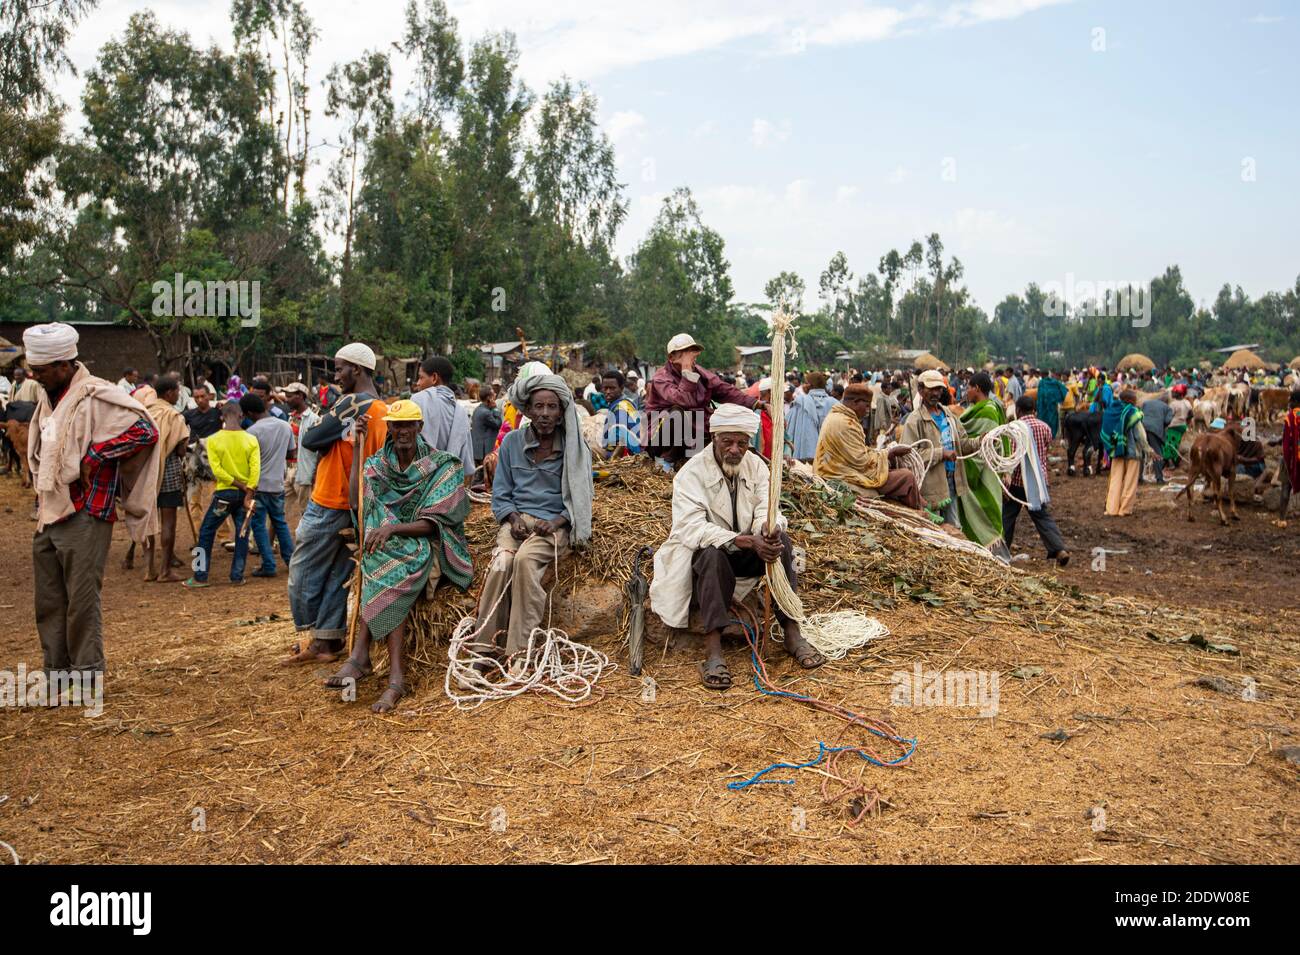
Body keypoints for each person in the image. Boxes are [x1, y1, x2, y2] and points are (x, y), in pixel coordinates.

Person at [649, 403, 824, 690]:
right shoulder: (691, 473)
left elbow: (767, 506)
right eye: (727, 441)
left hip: (746, 549)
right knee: (711, 555)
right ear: (714, 438)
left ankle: (792, 632)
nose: (735, 449)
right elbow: (689, 528)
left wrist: (768, 528)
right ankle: (714, 650)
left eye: (742, 443)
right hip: (703, 561)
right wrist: (740, 540)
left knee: (784, 544)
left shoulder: (757, 466)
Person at [25, 323, 161, 683]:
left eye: (40, 370)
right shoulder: (48, 399)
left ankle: (85, 676)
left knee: (81, 601)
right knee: (50, 600)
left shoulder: (96, 395)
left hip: (86, 510)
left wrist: (95, 456)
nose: (34, 376)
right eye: (33, 369)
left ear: (64, 365)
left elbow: (145, 430)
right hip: (50, 510)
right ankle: (56, 673)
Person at [323, 399, 473, 712]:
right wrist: (357, 451)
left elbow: (439, 521)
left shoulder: (443, 465)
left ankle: (381, 669)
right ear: (388, 428)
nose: (401, 431)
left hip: (429, 541)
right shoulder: (378, 465)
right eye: (395, 425)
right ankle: (379, 669)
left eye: (407, 425)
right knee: (379, 559)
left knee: (393, 567)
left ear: (419, 427)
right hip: (390, 545)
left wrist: (393, 530)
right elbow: (357, 503)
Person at [473, 373, 593, 665]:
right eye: (538, 407)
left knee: (526, 561)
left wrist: (554, 522)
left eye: (552, 407)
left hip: (553, 525)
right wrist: (513, 519)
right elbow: (500, 493)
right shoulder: (512, 443)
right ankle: (483, 651)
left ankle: (518, 652)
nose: (545, 414)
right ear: (527, 410)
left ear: (561, 411)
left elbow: (580, 500)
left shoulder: (574, 449)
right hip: (517, 521)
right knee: (502, 562)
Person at [284, 343, 388, 664]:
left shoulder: (351, 405)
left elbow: (312, 440)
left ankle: (310, 628)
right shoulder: (383, 410)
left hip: (330, 499)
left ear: (356, 370)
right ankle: (326, 643)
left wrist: (330, 420)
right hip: (359, 505)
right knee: (336, 573)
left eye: (340, 368)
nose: (336, 375)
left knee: (303, 568)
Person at [645, 333, 758, 470]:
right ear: (671, 358)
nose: (691, 357)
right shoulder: (661, 378)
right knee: (677, 413)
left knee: (725, 421)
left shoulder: (701, 374)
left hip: (695, 433)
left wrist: (758, 404)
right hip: (662, 439)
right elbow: (683, 400)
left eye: (691, 352)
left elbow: (725, 391)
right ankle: (667, 459)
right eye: (684, 353)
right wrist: (687, 374)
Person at [185, 401, 259, 587]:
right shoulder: (251, 440)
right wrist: (248, 491)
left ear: (221, 417)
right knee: (242, 534)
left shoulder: (214, 440)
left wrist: (239, 486)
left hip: (224, 495)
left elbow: (217, 472)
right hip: (245, 498)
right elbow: (255, 470)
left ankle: (200, 576)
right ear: (242, 415)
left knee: (205, 532)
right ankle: (237, 576)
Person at [815, 383, 922, 508]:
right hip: (841, 475)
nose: (867, 411)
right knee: (906, 477)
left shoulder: (836, 416)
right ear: (855, 402)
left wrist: (883, 454)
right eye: (866, 406)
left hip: (834, 469)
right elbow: (861, 460)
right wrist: (888, 453)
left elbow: (856, 452)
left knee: (891, 468)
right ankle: (920, 509)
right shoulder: (846, 424)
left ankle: (922, 503)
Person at [900, 370, 976, 529]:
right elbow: (908, 457)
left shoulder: (948, 415)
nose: (936, 393)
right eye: (931, 389)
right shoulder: (915, 420)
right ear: (920, 390)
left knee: (954, 526)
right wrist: (941, 453)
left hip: (952, 479)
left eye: (939, 389)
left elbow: (963, 444)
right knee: (934, 528)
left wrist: (982, 441)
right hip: (931, 485)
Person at [1003, 395, 1069, 566]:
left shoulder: (1014, 429)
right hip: (1039, 483)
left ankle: (1002, 551)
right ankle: (1059, 548)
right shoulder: (1045, 427)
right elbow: (1044, 450)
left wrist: (1006, 481)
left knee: (1008, 516)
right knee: (1042, 516)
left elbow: (1012, 457)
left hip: (1017, 482)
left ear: (1017, 410)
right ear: (1034, 410)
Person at [141, 376, 190, 582]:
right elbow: (180, 451)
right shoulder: (174, 416)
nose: (179, 395)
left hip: (145, 474)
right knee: (168, 521)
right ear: (169, 393)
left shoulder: (144, 413)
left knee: (148, 521)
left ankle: (148, 569)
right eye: (177, 391)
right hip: (169, 472)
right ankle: (165, 570)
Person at [243, 393, 296, 578]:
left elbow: (248, 461)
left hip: (258, 485)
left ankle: (268, 564)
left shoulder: (252, 432)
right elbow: (291, 452)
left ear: (249, 412)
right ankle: (291, 562)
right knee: (280, 522)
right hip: (277, 484)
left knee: (258, 525)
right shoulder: (284, 425)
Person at [958, 372, 1009, 554]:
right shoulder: (984, 408)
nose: (966, 392)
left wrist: (965, 468)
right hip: (982, 465)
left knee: (988, 510)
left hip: (984, 470)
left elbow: (986, 446)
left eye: (968, 388)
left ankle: (994, 553)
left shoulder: (988, 411)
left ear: (977, 388)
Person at [411, 355, 474, 484]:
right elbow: (467, 467)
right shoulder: (461, 413)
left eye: (421, 377)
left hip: (417, 486)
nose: (418, 383)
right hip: (449, 489)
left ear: (434, 378)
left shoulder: (417, 400)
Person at [1101, 390, 1149, 517]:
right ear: (1130, 400)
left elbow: (1105, 431)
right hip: (1133, 452)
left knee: (1115, 480)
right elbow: (1140, 435)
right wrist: (1149, 449)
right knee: (1130, 482)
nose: (1136, 401)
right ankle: (1124, 509)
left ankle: (1111, 509)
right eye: (1135, 399)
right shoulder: (1133, 412)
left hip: (1116, 451)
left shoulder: (1110, 411)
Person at [283, 382, 320, 518]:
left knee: (306, 512)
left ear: (300, 396)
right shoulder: (291, 417)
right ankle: (273, 539)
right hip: (290, 469)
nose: (286, 399)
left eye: (290, 396)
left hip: (304, 471)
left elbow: (318, 449)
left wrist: (315, 472)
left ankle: (308, 539)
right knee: (280, 509)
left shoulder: (313, 419)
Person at [785, 371, 837, 462]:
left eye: (805, 383)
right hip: (830, 457)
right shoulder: (835, 403)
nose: (803, 386)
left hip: (805, 458)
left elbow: (788, 429)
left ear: (811, 385)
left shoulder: (800, 402)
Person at [597, 369, 641, 458]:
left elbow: (621, 442)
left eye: (612, 388)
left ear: (621, 388)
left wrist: (610, 463)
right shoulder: (622, 403)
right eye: (605, 388)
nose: (608, 392)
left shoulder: (621, 407)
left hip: (625, 457)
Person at [1275, 389, 1300, 528]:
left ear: (1296, 401)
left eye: (1292, 400)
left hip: (1291, 459)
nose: (1289, 402)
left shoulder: (1290, 417)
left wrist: (1286, 457)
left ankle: (1282, 519)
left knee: (1286, 488)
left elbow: (1286, 440)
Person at [1140, 393, 1173, 484]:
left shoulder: (1146, 403)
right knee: (1157, 454)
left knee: (1141, 453)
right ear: (1167, 401)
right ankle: (1159, 478)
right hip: (1155, 431)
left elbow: (1140, 414)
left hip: (1141, 428)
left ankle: (1139, 478)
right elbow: (1167, 421)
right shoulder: (1167, 408)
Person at [471, 388, 502, 470]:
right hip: (483, 450)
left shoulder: (478, 409)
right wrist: (495, 409)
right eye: (493, 394)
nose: (495, 395)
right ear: (489, 398)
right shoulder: (486, 413)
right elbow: (498, 424)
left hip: (477, 449)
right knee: (485, 473)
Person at [1035, 369, 1068, 438]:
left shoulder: (1041, 383)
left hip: (1042, 407)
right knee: (1052, 421)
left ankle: (1044, 436)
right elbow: (1064, 389)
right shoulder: (1054, 382)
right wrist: (1057, 399)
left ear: (1042, 375)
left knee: (1043, 421)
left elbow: (1040, 395)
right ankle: (1051, 436)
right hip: (1052, 406)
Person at [1166, 385, 1192, 468]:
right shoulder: (1187, 403)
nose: (1173, 394)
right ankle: (1176, 462)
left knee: (1169, 445)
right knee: (1177, 444)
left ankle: (1171, 464)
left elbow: (1168, 417)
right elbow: (1191, 415)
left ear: (1180, 394)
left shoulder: (1173, 404)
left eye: (1175, 393)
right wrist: (1187, 423)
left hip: (1173, 426)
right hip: (1183, 426)